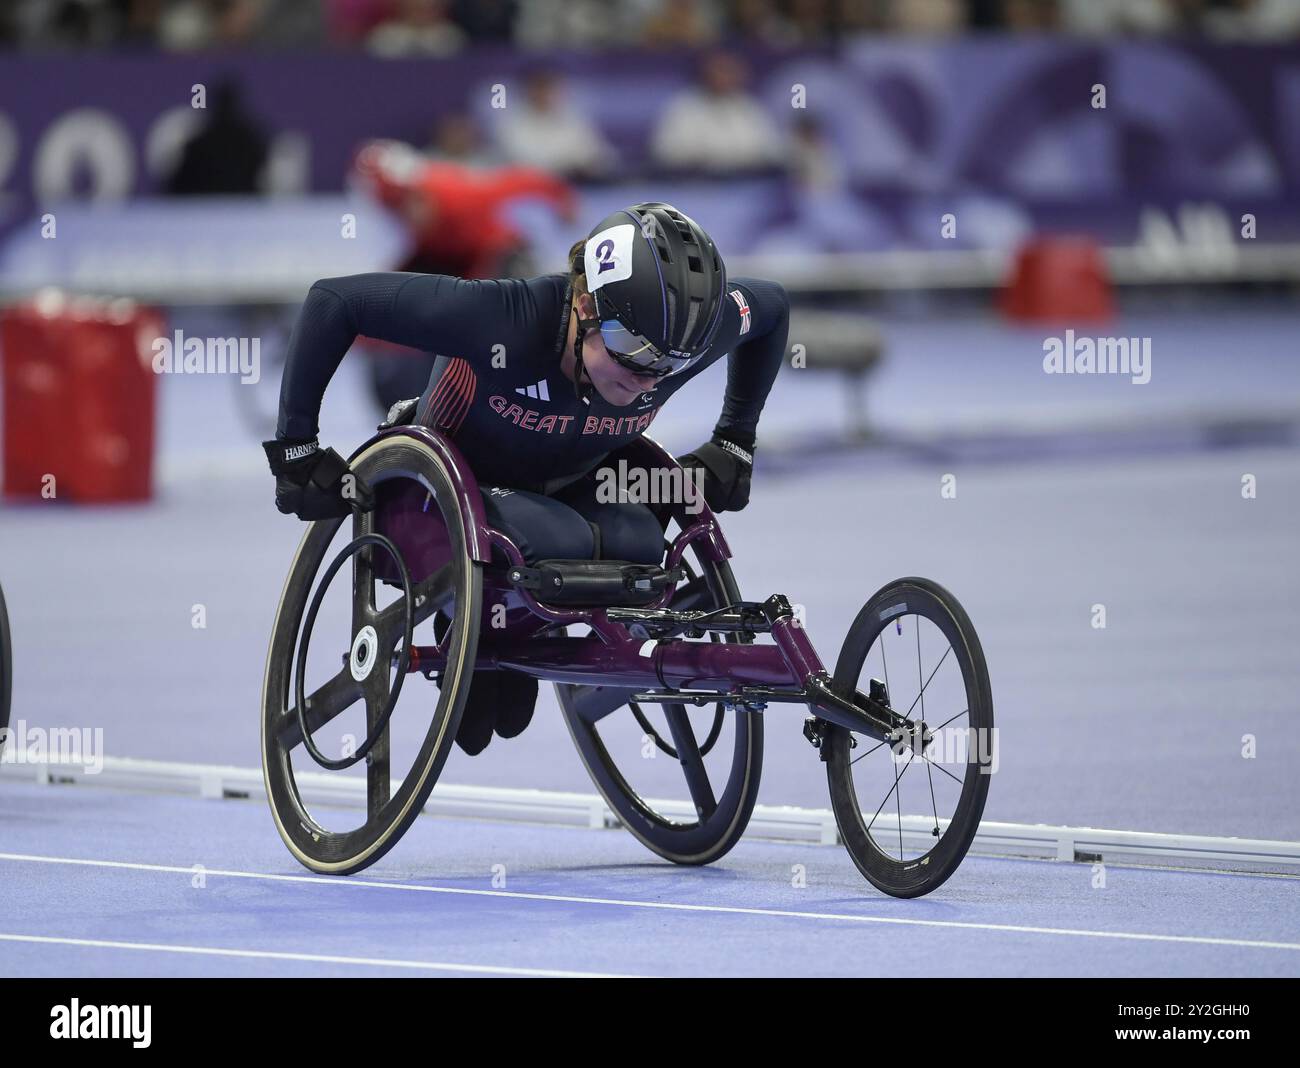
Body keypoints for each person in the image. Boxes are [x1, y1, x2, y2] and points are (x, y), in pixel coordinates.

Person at [262, 203, 789, 755]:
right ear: (586, 305)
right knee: (553, 542)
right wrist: (296, 447)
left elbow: (771, 307)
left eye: (670, 366)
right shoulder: (502, 318)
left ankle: (516, 628)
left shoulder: (670, 338)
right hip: (444, 500)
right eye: (632, 353)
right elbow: (333, 301)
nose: (644, 380)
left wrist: (735, 440)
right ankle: (487, 623)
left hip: (573, 485)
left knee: (638, 539)